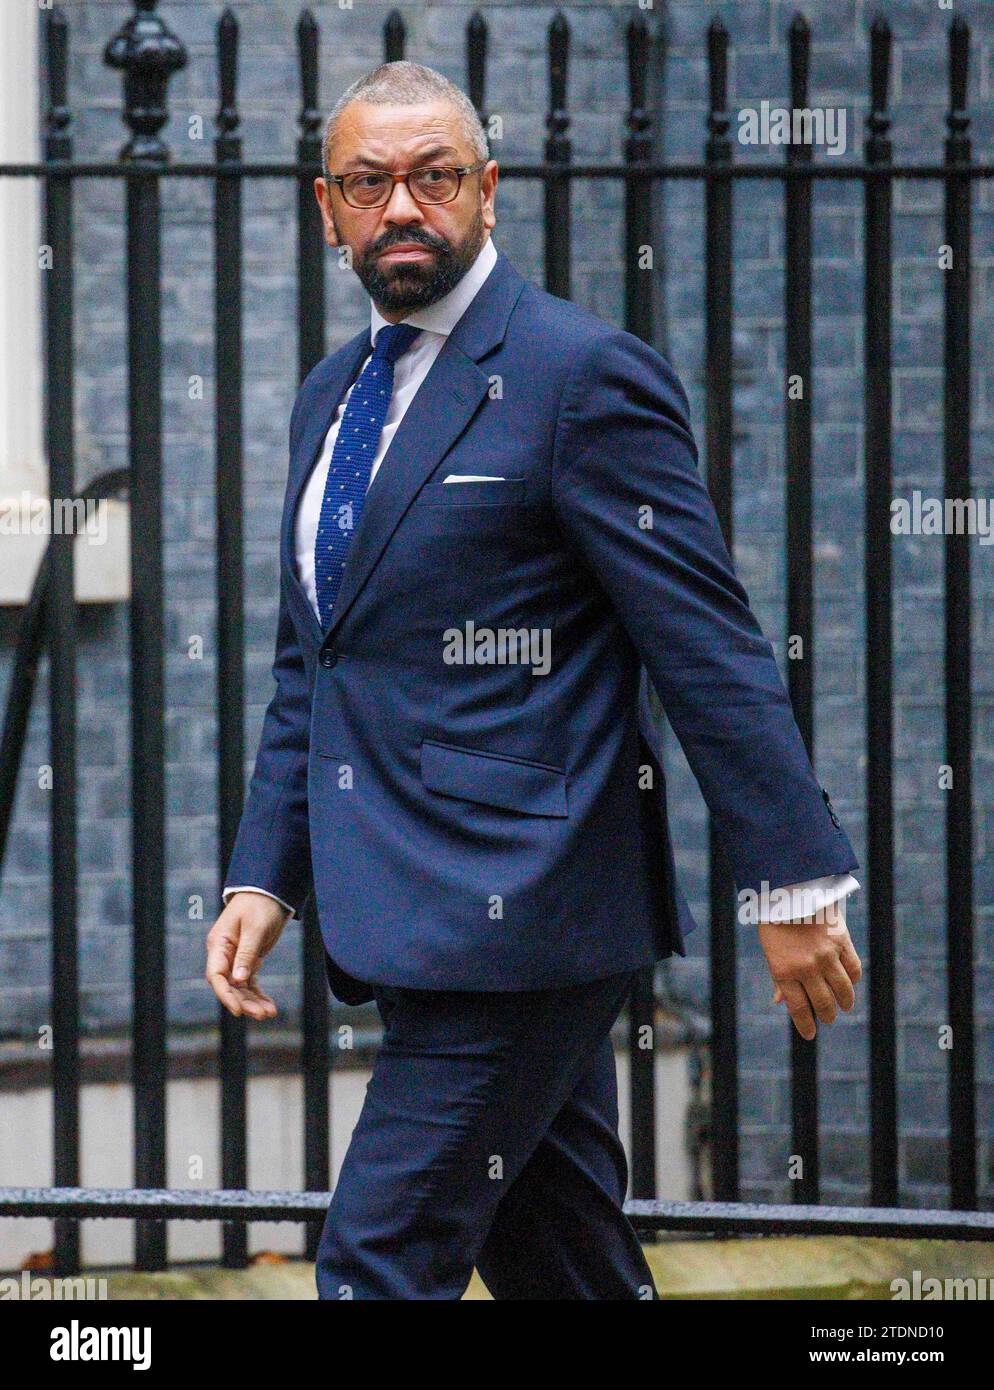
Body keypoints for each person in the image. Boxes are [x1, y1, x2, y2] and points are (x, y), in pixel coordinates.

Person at [206, 61, 862, 1300]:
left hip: (523, 910)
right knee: (564, 1264)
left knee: (374, 1263)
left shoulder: (578, 376)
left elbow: (705, 638)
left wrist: (793, 874)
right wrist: (266, 871)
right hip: (406, 906)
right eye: (368, 182)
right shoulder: (333, 398)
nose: (402, 206)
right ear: (326, 206)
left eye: (434, 176)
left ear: (489, 191)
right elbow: (320, 659)